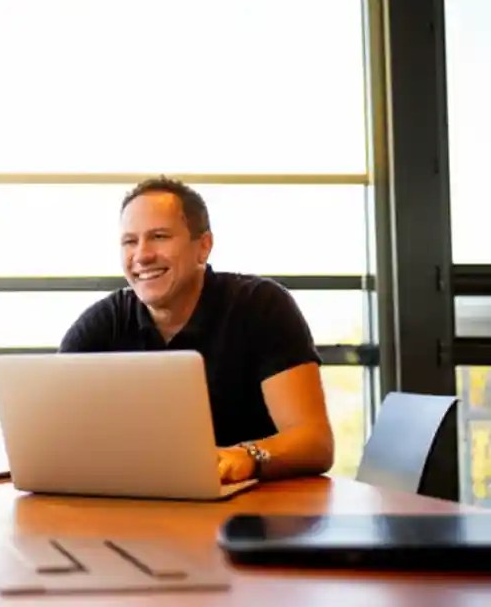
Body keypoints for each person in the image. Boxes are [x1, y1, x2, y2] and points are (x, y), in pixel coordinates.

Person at [58, 176, 334, 483]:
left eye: (159, 236)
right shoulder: (103, 323)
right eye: (130, 242)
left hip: (252, 505)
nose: (142, 255)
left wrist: (247, 457)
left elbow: (315, 443)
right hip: (137, 501)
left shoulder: (261, 305)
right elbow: (53, 437)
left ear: (203, 246)